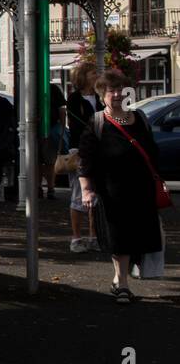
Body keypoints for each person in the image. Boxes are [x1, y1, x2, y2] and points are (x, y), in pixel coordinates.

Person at [77, 68, 165, 303]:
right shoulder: (97, 122)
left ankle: (122, 276)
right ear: (101, 95)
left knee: (140, 235)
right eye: (111, 91)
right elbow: (85, 160)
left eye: (120, 90)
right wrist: (87, 189)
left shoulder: (141, 119)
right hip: (112, 191)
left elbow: (153, 151)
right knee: (120, 236)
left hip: (142, 189)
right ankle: (122, 283)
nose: (117, 94)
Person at [65, 62, 101, 252]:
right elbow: (77, 125)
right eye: (93, 72)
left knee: (96, 196)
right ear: (84, 76)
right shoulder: (74, 99)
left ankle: (95, 235)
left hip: (98, 149)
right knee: (79, 195)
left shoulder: (99, 97)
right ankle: (76, 237)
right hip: (80, 149)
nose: (97, 75)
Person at [40, 81, 67, 199]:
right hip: (38, 131)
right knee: (43, 162)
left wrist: (61, 130)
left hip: (49, 130)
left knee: (49, 162)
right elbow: (62, 111)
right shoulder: (50, 88)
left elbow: (62, 110)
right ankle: (42, 188)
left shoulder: (52, 89)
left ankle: (49, 188)